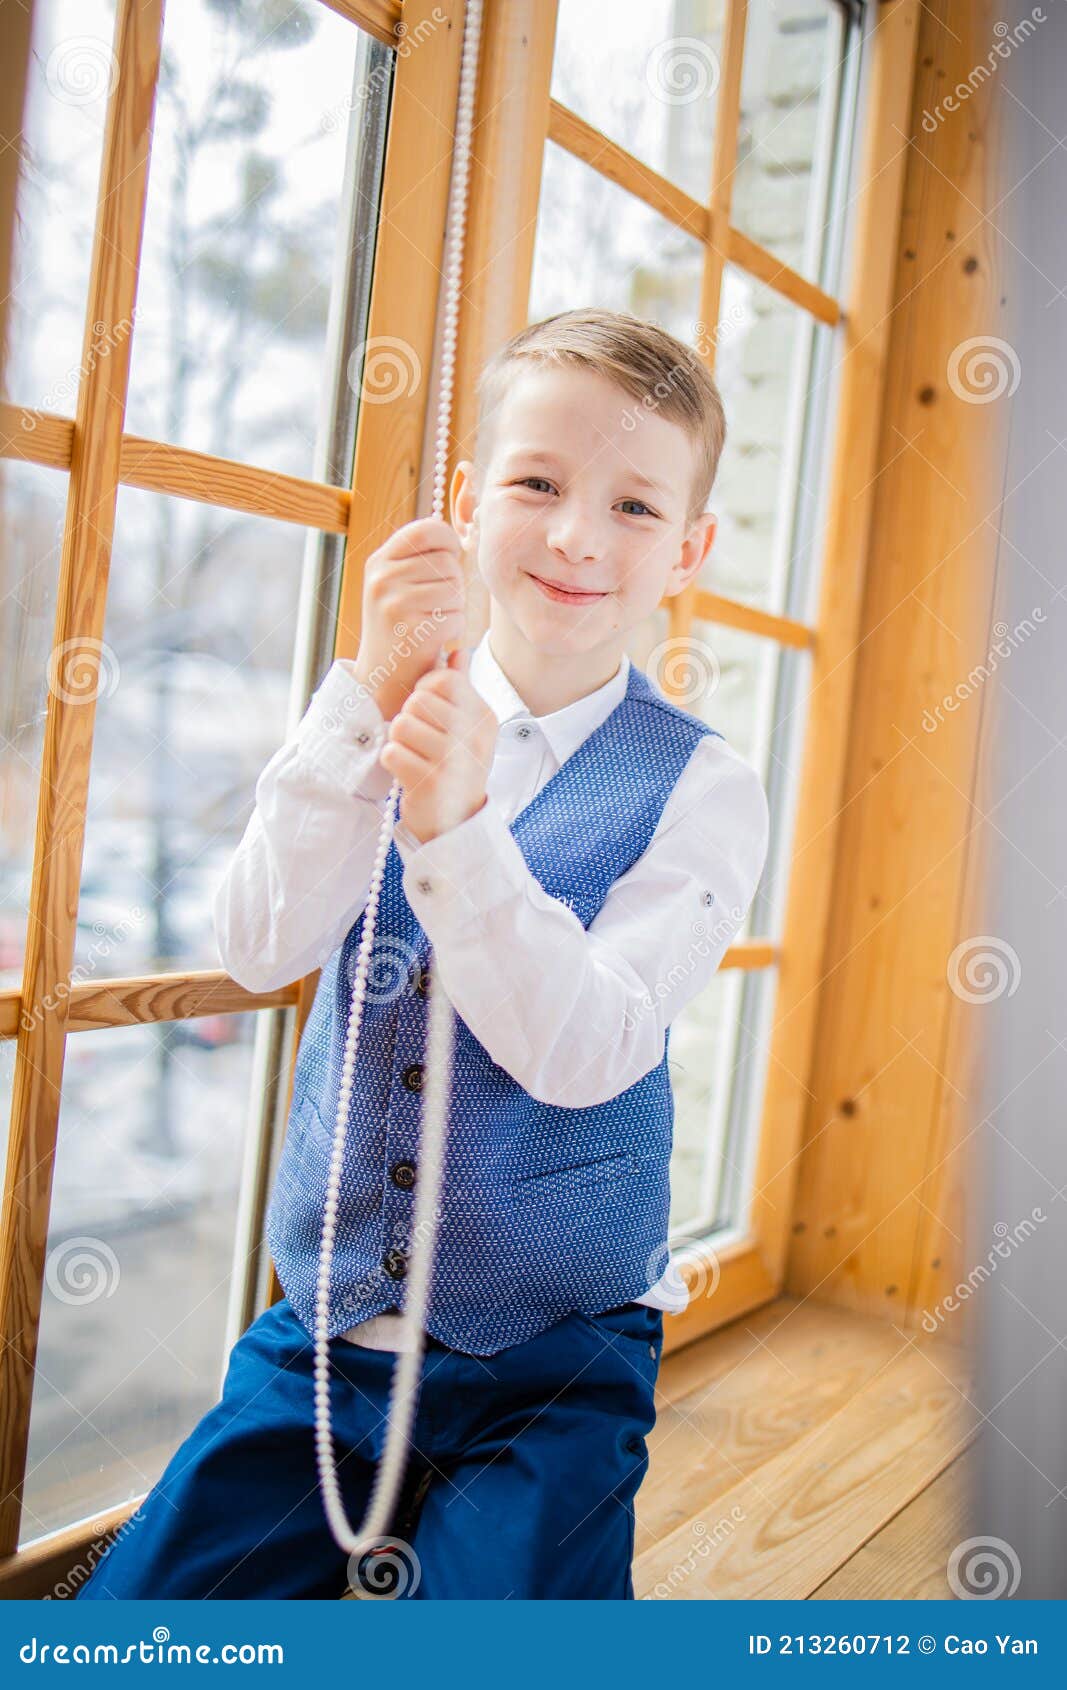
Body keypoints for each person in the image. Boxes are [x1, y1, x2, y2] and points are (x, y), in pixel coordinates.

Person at [75, 307, 769, 1601]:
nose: (577, 536)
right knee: (130, 1632)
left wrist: (458, 829)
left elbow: (589, 1050)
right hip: (325, 1337)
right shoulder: (376, 716)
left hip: (553, 1360)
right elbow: (257, 945)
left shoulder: (703, 789)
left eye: (633, 506)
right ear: (464, 502)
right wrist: (362, 697)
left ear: (688, 550)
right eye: (537, 484)